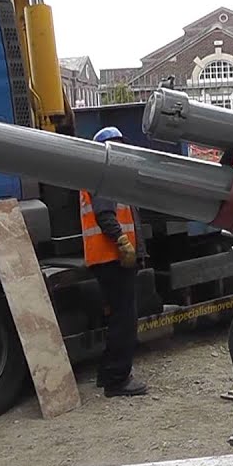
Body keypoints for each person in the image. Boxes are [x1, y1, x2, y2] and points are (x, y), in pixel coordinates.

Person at [81, 126, 148, 397]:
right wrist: (122, 241)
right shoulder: (105, 173)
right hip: (113, 257)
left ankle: (106, 373)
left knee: (117, 317)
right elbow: (105, 214)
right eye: (116, 145)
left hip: (106, 257)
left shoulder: (101, 174)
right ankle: (117, 380)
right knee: (124, 319)